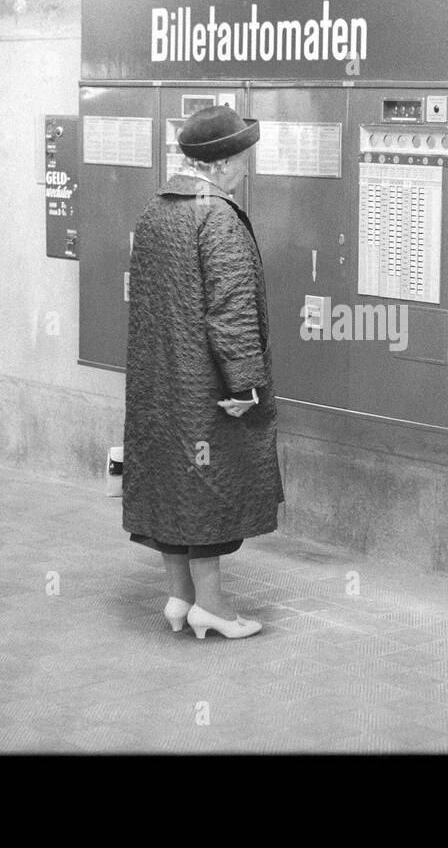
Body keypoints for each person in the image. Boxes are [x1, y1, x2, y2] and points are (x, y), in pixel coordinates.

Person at [122, 104, 284, 640]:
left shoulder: (156, 211)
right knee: (211, 489)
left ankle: (179, 597)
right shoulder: (216, 217)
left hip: (160, 383)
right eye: (241, 161)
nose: (245, 171)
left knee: (173, 486)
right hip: (207, 387)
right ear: (218, 166)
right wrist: (247, 385)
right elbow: (232, 309)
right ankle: (211, 607)